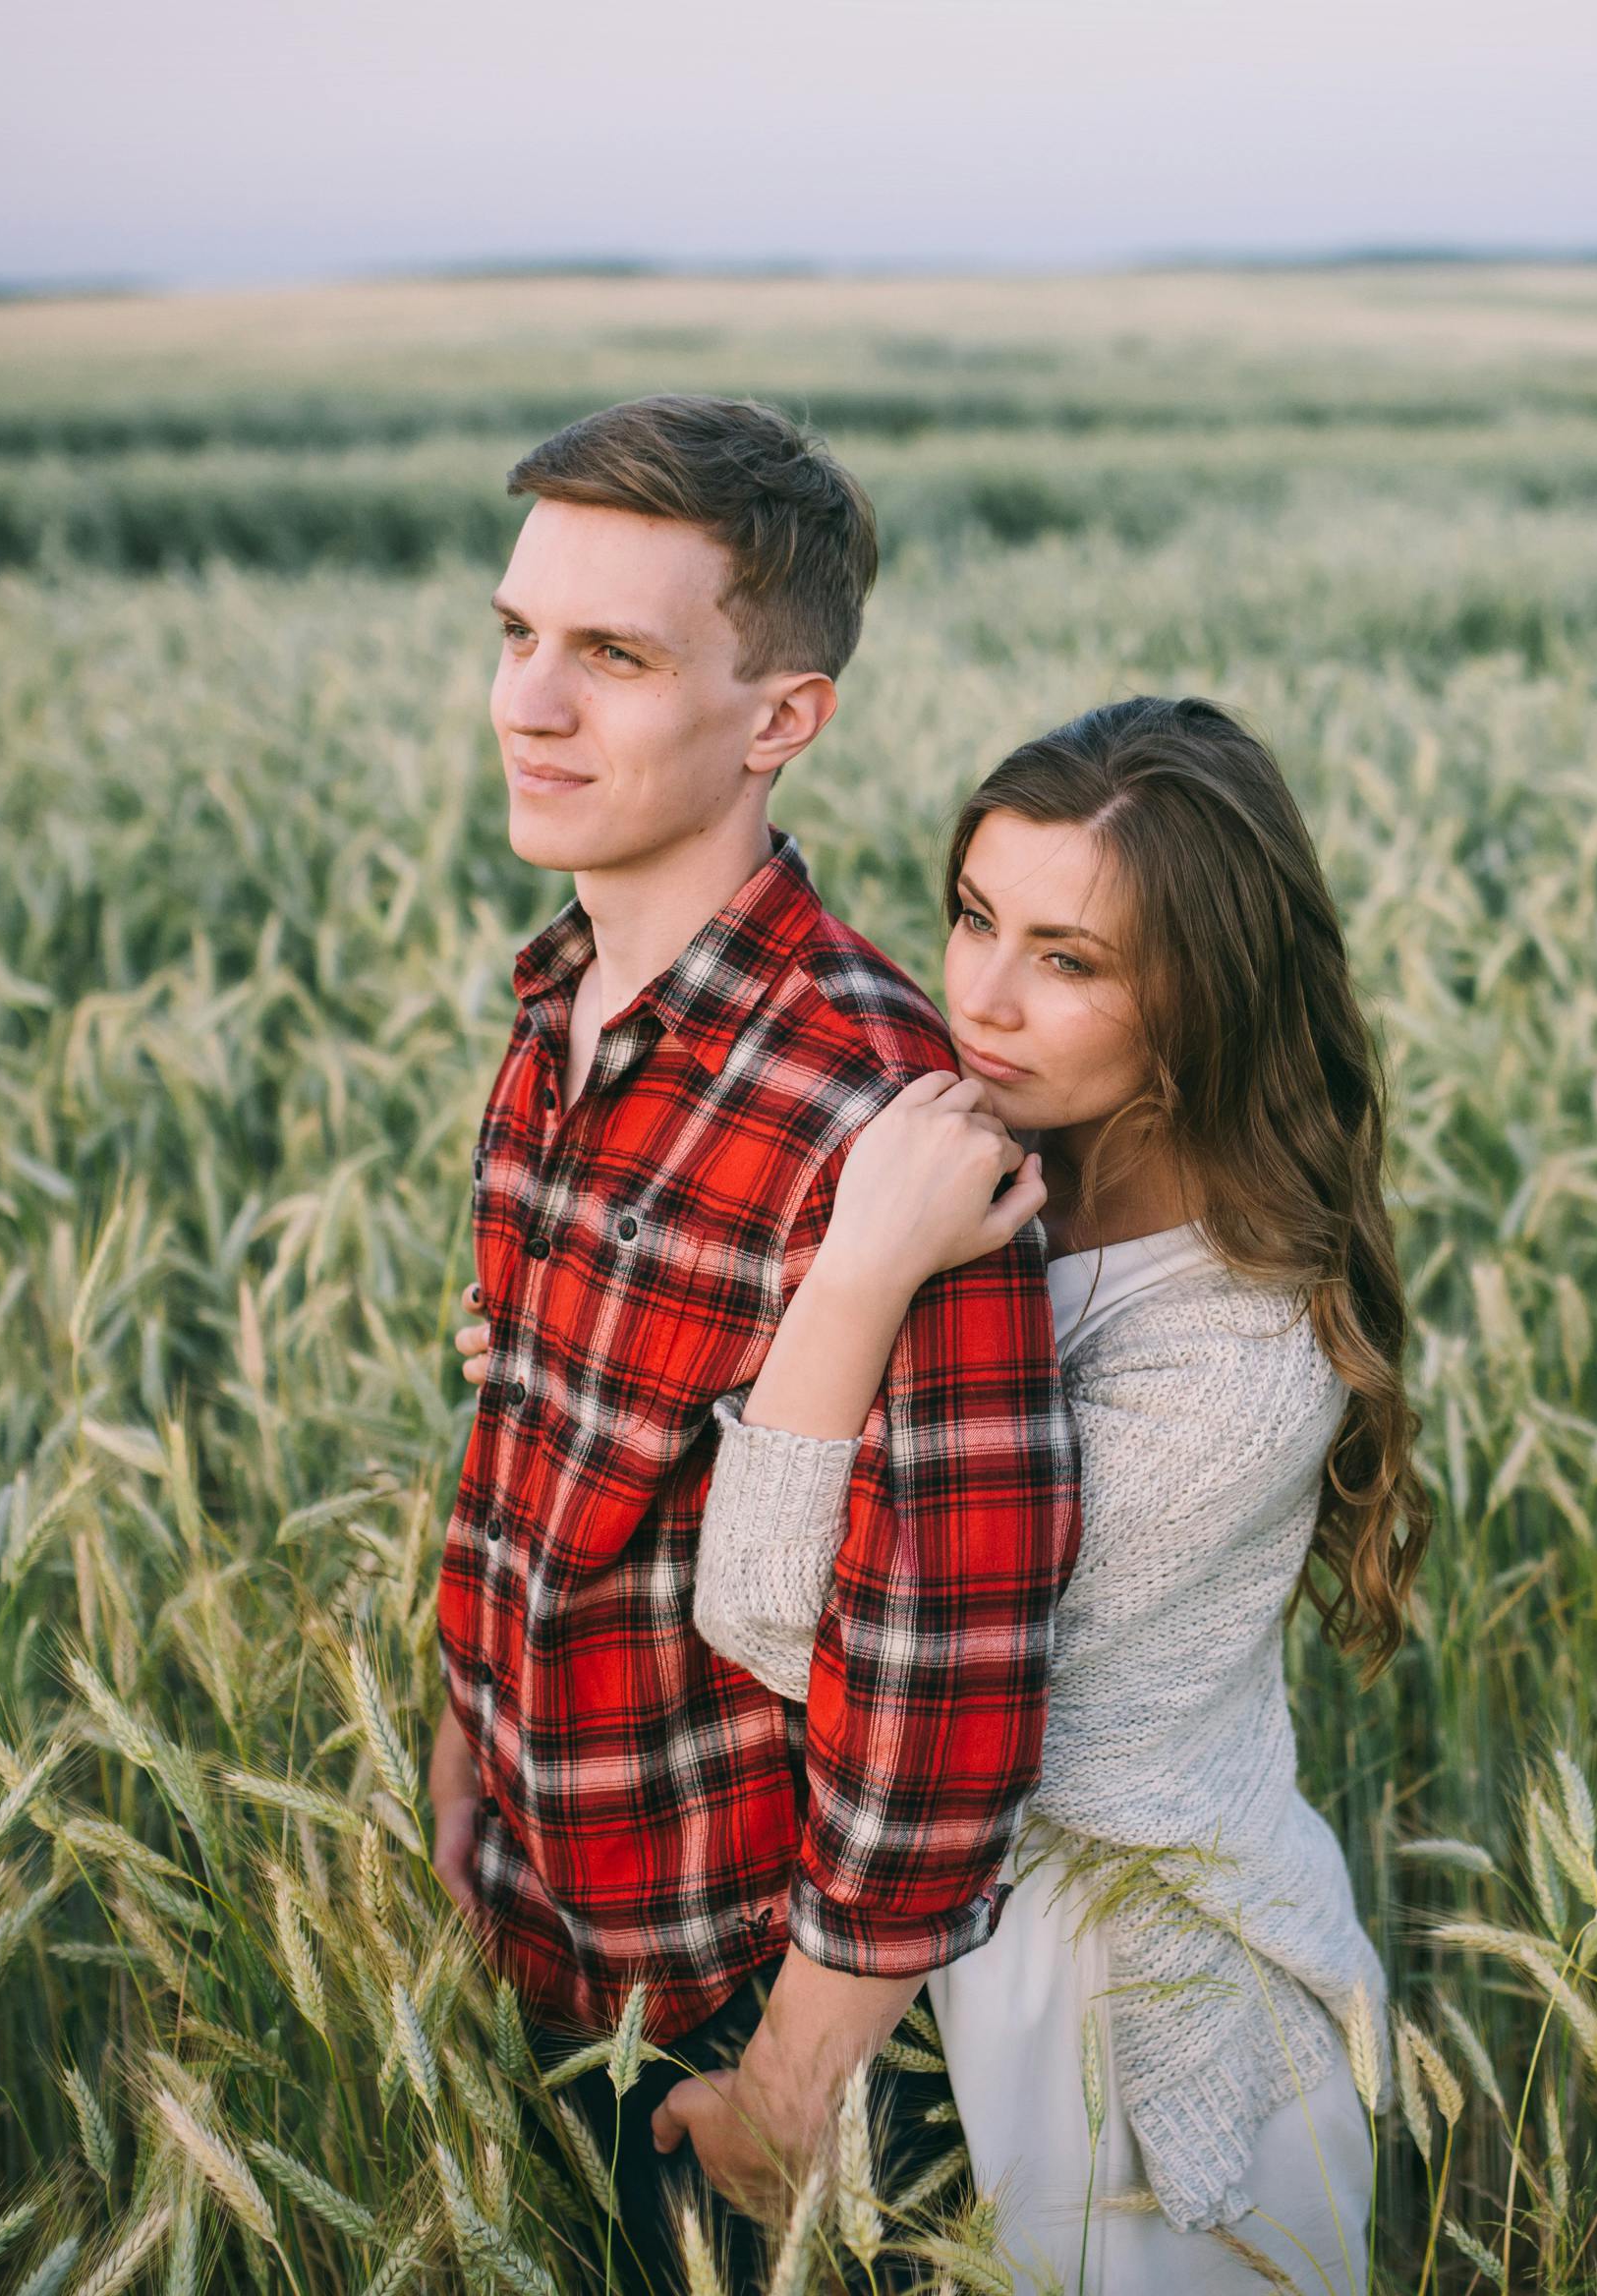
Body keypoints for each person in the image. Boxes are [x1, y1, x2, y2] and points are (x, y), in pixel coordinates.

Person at [460, 696, 1428, 2295]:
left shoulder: (1233, 1368)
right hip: (915, 1944)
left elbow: (782, 1627)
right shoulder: (991, 1163)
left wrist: (858, 1275)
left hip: (1134, 2020)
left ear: (1203, 994)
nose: (980, 995)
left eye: (1071, 958)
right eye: (976, 916)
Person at [428, 393, 1078, 2296]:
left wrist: (795, 2081)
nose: (527, 705)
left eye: (611, 656)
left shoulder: (887, 1126)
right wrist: (464, 1757)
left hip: (744, 2017)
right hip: (544, 1935)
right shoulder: (562, 1012)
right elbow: (522, 1444)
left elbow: (941, 1677)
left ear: (779, 718)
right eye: (514, 634)